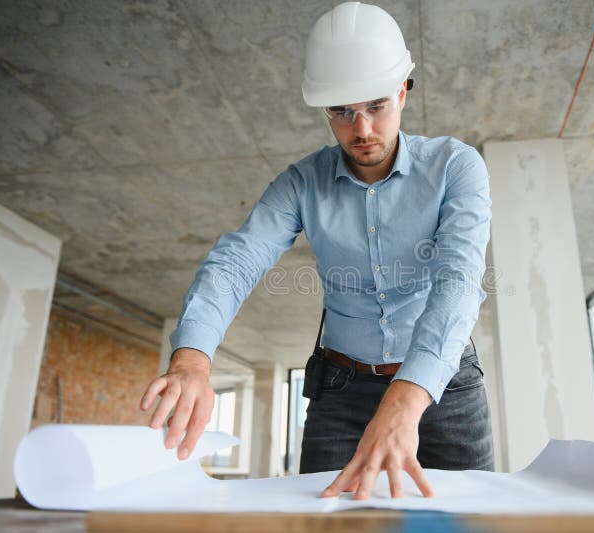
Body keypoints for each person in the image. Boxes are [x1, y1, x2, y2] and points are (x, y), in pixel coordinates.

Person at [140, 1, 494, 500]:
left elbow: (458, 280)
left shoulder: (456, 166)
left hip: (445, 385)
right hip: (341, 393)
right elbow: (238, 260)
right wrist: (192, 360)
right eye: (342, 112)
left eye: (376, 105)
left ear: (402, 90)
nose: (362, 129)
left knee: (467, 518)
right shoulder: (300, 183)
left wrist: (406, 397)